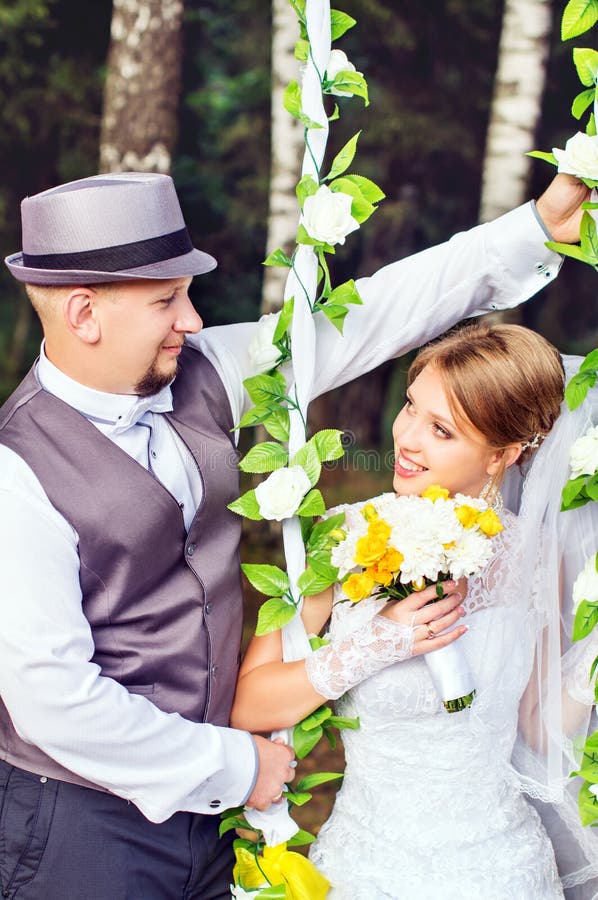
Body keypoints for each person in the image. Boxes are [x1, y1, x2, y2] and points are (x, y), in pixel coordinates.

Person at [0, 170, 588, 900]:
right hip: (83, 827)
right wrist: (239, 764)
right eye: (166, 299)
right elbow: (52, 698)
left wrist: (532, 226)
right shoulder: (15, 473)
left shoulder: (204, 371)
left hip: (219, 830)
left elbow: (368, 317)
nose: (192, 318)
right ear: (85, 313)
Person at [231, 323, 598, 899]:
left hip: (504, 872)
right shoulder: (343, 539)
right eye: (410, 406)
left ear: (502, 453)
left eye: (441, 429)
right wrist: (373, 645)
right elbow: (248, 704)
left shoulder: (536, 556)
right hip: (368, 870)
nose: (407, 438)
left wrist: (595, 654)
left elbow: (536, 727)